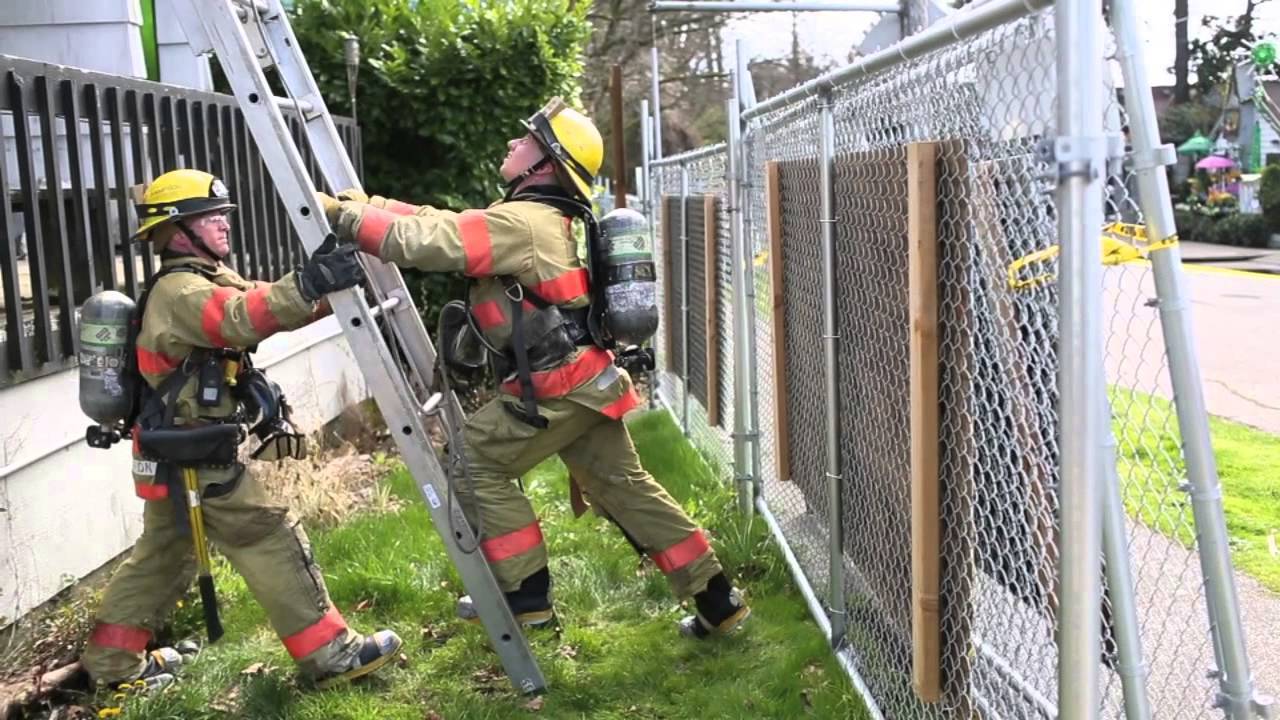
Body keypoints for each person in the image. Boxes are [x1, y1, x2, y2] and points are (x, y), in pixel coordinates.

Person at [317, 98, 751, 638]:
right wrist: (373, 203)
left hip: (559, 387)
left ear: (544, 163)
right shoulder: (543, 219)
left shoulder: (522, 224)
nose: (512, 145)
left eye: (525, 141)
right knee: (626, 489)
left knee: (475, 463)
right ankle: (719, 600)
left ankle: (526, 597)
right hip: (588, 380)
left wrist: (340, 216)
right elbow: (445, 223)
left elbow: (425, 242)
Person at [79, 169, 402, 693]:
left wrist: (327, 284)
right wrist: (311, 282)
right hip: (197, 456)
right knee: (268, 534)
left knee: (163, 555)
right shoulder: (183, 290)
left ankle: (112, 668)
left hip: (171, 452)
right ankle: (333, 655)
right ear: (177, 230)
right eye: (210, 217)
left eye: (223, 214)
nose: (224, 225)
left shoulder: (204, 277)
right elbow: (237, 320)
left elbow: (265, 303)